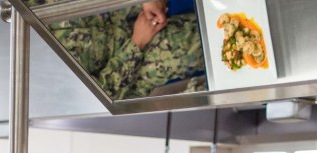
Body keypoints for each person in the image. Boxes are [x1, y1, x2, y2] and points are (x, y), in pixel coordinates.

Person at [44, 0, 206, 100]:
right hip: (129, 63)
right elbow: (101, 96)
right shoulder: (39, 82)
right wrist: (136, 43)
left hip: (114, 11)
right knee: (189, 46)